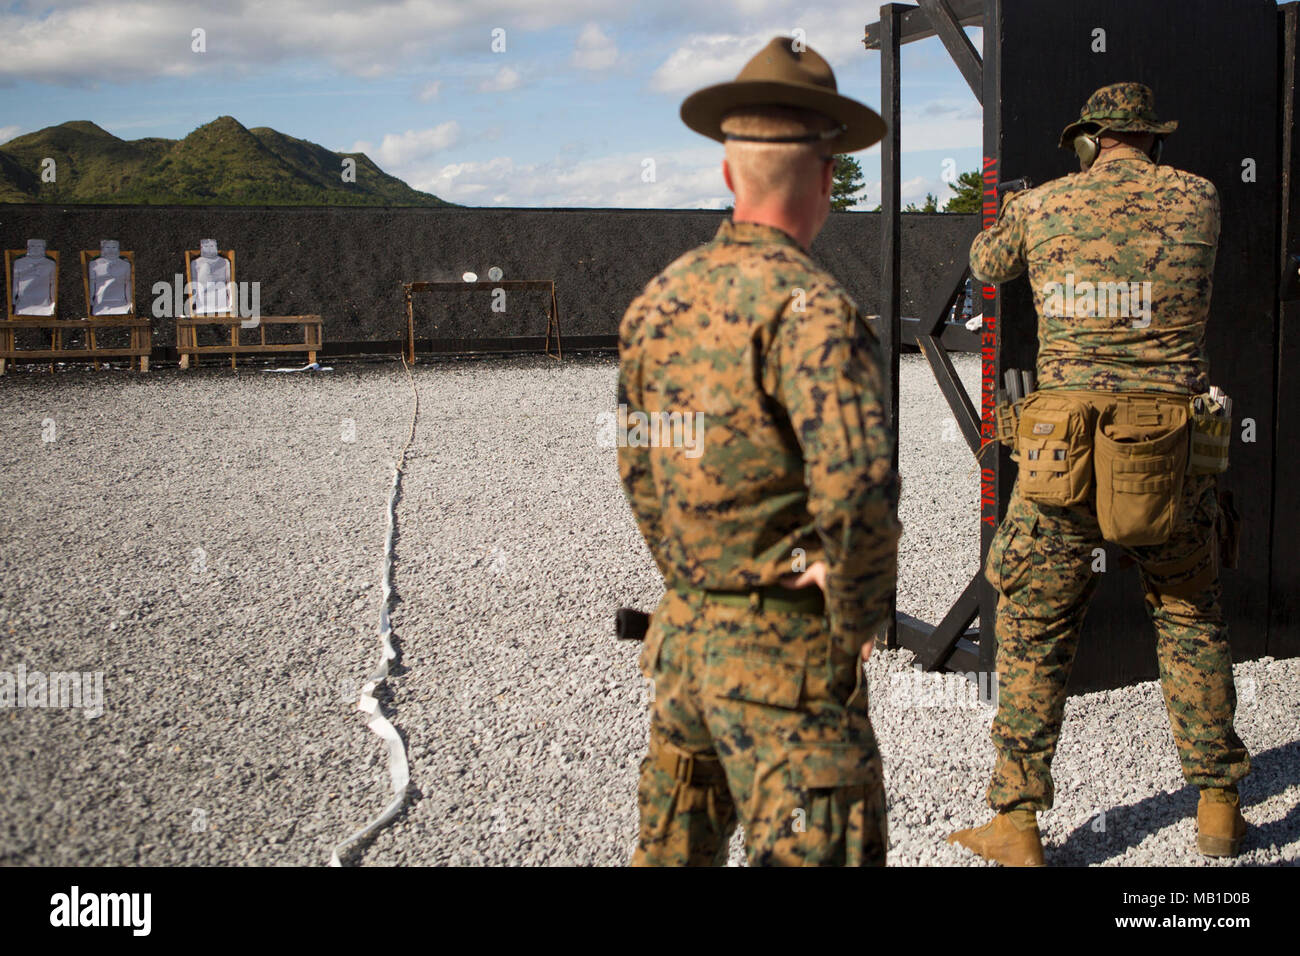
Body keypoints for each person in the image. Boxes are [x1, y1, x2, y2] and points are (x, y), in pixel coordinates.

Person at [948, 82, 1250, 866]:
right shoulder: (1203, 200)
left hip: (1062, 460)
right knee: (1190, 619)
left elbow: (985, 265)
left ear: (1089, 140)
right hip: (1171, 458)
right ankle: (1218, 807)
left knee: (1033, 629)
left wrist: (1016, 208)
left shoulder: (1047, 206)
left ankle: (1016, 823)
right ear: (1153, 138)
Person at [617, 36, 900, 866]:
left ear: (729, 173)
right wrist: (852, 619)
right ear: (825, 179)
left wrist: (698, 573)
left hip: (682, 645)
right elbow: (858, 491)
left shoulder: (656, 302)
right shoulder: (815, 309)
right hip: (787, 665)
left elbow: (638, 464)